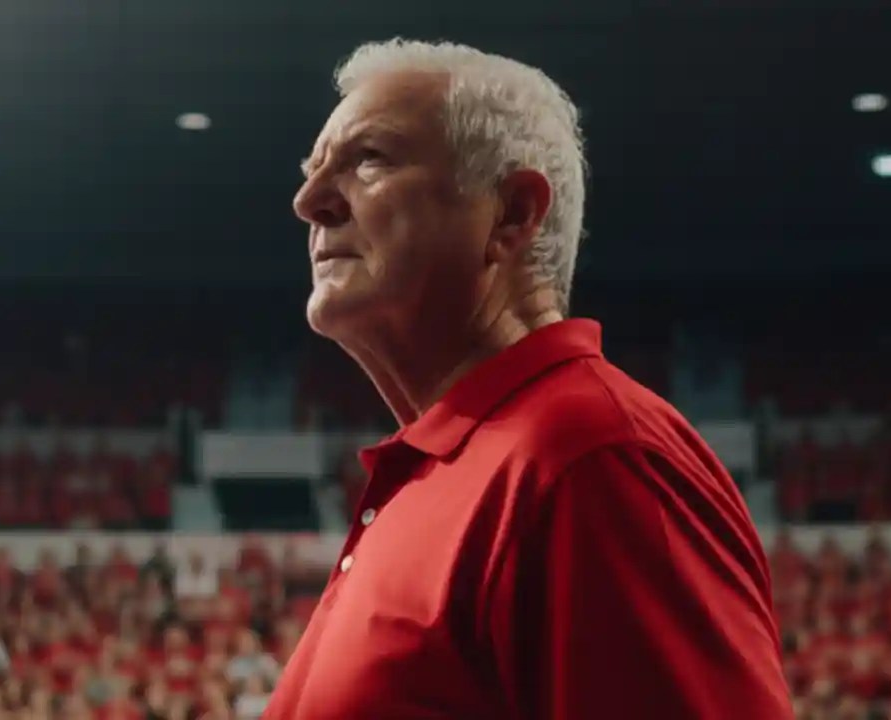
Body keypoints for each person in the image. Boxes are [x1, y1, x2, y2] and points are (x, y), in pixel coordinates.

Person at [264, 38, 791, 719]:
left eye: (369, 158)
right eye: (312, 170)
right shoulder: (461, 469)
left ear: (511, 214)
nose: (308, 201)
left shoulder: (591, 455)